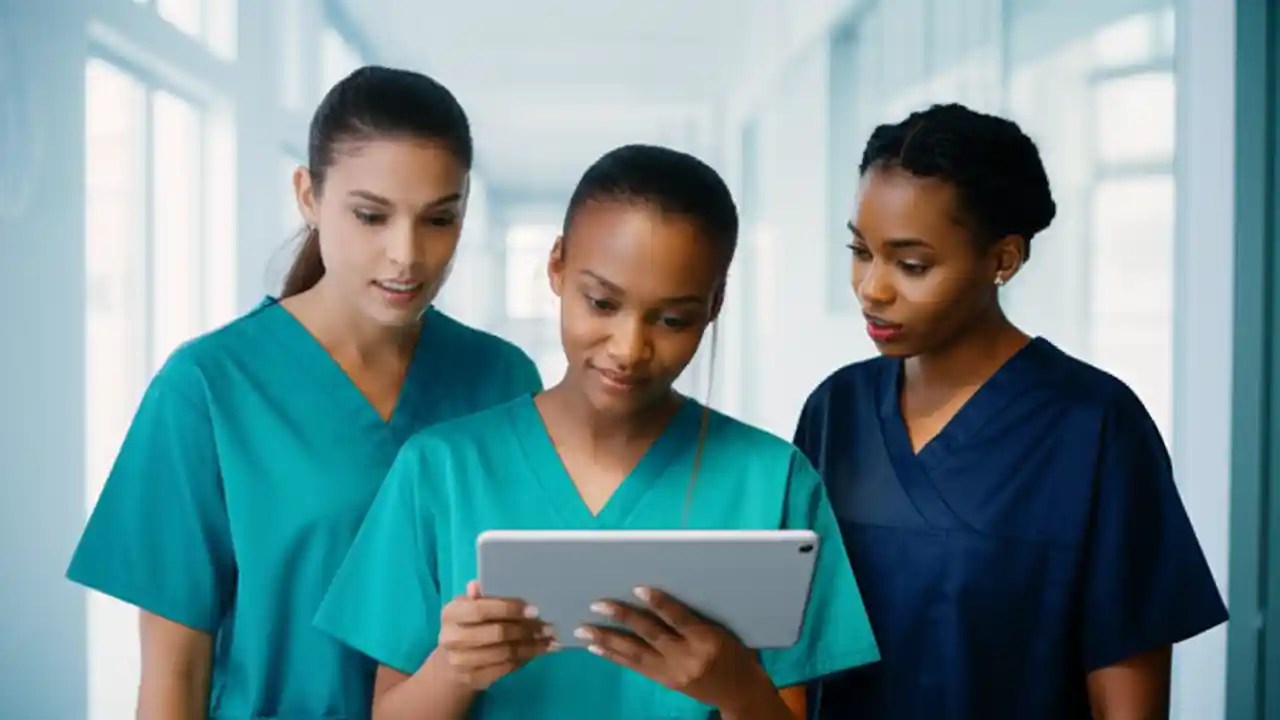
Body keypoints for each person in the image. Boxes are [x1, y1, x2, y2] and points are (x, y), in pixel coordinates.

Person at [313, 143, 880, 719]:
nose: (630, 348)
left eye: (673, 319)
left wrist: (734, 687)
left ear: (716, 304)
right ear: (556, 265)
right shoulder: (442, 470)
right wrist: (453, 670)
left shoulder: (773, 484)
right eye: (602, 302)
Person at [66, 66, 542, 719]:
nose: (406, 254)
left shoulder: (503, 382)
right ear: (309, 195)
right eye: (371, 215)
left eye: (439, 218)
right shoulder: (208, 388)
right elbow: (174, 676)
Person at [795, 103, 1228, 719]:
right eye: (861, 250)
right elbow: (793, 647)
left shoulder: (1095, 426)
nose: (873, 287)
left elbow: (1128, 693)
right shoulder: (835, 410)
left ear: (1004, 259)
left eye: (912, 264)